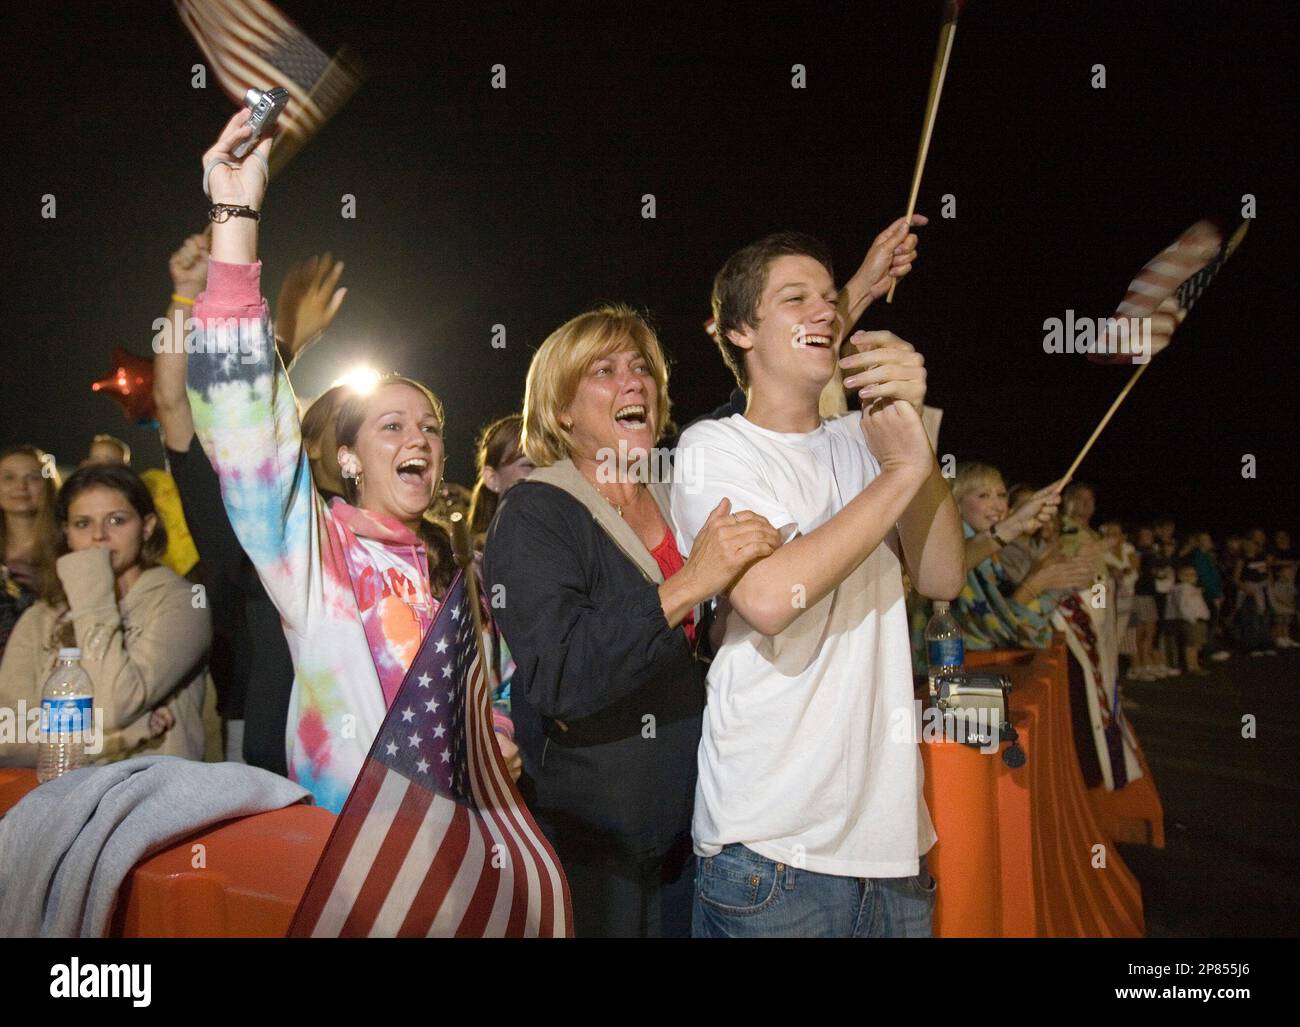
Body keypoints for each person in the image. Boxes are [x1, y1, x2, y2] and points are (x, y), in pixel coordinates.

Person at [185, 110, 506, 810]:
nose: (418, 438)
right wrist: (235, 212)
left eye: (429, 426)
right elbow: (244, 425)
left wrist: (496, 733)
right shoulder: (318, 556)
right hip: (357, 854)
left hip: (463, 852)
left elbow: (495, 688)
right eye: (390, 425)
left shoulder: (457, 569)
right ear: (348, 458)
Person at [670, 229, 964, 938]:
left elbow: (944, 573)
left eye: (832, 299)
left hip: (893, 845)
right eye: (796, 298)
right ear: (740, 329)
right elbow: (770, 599)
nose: (827, 312)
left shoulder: (867, 439)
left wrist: (911, 444)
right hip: (773, 851)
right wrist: (896, 476)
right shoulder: (715, 448)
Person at [485, 303, 778, 937]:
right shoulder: (537, 513)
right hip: (599, 848)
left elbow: (760, 406)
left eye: (642, 368)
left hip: (700, 824)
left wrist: (846, 304)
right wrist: (688, 584)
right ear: (562, 408)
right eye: (604, 370)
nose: (634, 382)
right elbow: (561, 676)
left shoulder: (680, 485)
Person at [0, 464, 208, 765]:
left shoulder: (185, 602)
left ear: (147, 526)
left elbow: (113, 706)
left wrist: (91, 586)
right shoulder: (41, 616)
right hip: (61, 799)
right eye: (83, 524)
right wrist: (117, 739)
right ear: (66, 534)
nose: (99, 535)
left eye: (116, 520)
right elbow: (9, 733)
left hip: (150, 796)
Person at [1, 446, 60, 661]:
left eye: (33, 477)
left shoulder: (66, 547)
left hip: (43, 660)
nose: (20, 487)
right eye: (8, 478)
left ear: (48, 484)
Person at [1166, 562, 1211, 675]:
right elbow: (1182, 606)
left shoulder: (1192, 588)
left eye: (1194, 574)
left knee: (1196, 644)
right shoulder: (1182, 589)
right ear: (1181, 576)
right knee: (1191, 644)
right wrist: (1190, 618)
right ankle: (1191, 667)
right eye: (1189, 574)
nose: (1193, 576)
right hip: (1191, 620)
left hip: (1199, 619)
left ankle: (1195, 665)